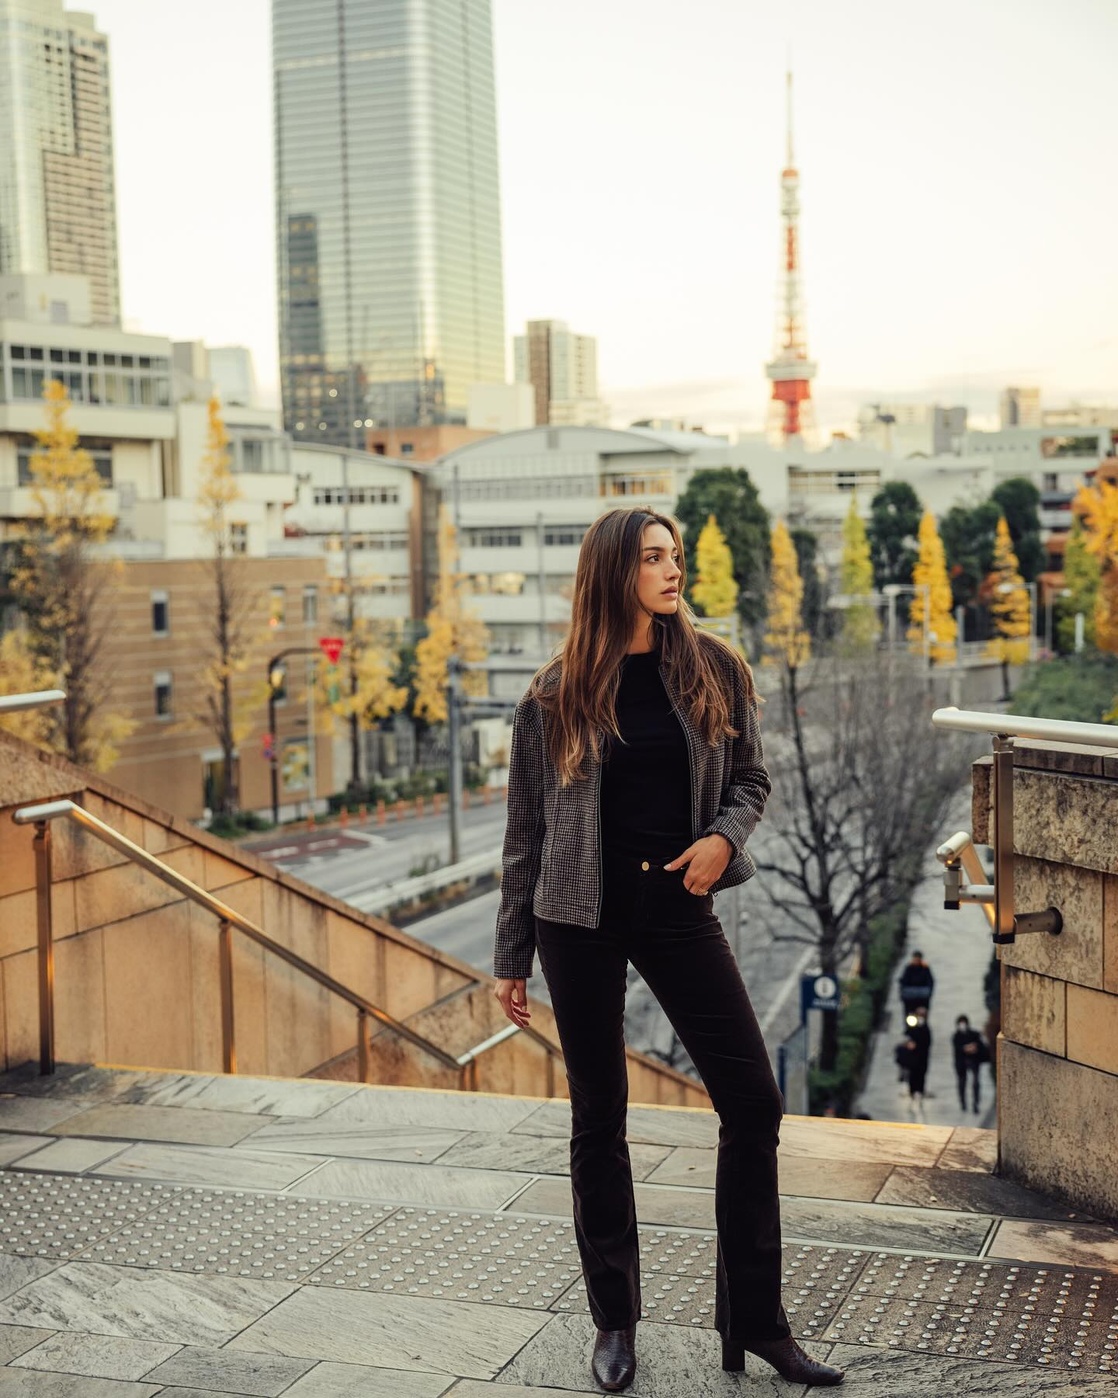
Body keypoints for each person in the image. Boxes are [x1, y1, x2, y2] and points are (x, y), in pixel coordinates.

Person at [492, 507, 843, 1393]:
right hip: (578, 918)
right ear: (615, 572)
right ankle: (614, 1320)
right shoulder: (552, 694)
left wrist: (725, 838)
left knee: (753, 1104)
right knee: (598, 1118)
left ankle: (756, 1322)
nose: (672, 569)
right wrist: (511, 954)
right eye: (653, 557)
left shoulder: (714, 668)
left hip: (679, 906)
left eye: (675, 555)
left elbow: (752, 778)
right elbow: (525, 834)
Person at [952, 1014, 989, 1114]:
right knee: (962, 1082)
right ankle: (963, 1103)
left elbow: (980, 1046)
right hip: (961, 1063)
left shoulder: (974, 1034)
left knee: (975, 1082)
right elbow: (957, 1048)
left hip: (974, 1061)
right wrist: (965, 1048)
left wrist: (974, 1048)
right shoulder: (956, 1036)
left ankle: (975, 1103)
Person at [904, 1005, 932, 1113]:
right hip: (913, 1059)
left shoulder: (926, 1029)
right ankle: (912, 1095)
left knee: (921, 1077)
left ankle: (919, 1095)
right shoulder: (913, 1027)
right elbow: (907, 1036)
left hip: (922, 1059)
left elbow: (927, 1043)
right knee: (912, 1077)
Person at [898, 949, 934, 1016]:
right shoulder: (908, 968)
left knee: (923, 1015)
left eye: (918, 959)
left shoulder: (925, 969)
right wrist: (902, 993)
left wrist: (929, 993)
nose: (916, 961)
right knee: (908, 1015)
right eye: (915, 959)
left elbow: (930, 982)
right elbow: (903, 982)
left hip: (922, 999)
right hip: (910, 999)